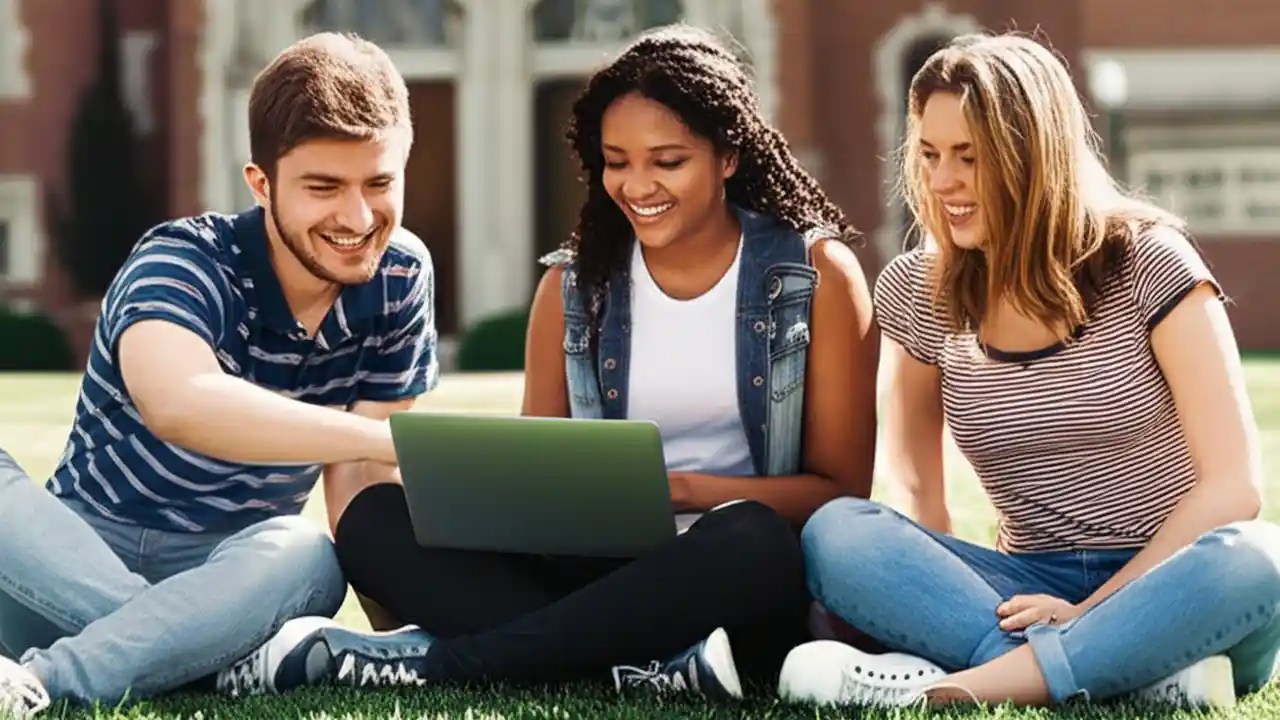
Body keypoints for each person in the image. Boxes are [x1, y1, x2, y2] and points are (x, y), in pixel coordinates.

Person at [233, 23, 878, 700]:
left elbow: (839, 493)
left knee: (754, 538)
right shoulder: (571, 288)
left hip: (728, 575)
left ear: (727, 155)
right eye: (617, 161)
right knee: (373, 519)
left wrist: (682, 490)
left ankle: (452, 663)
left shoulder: (813, 277)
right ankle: (650, 669)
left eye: (667, 161)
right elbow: (540, 487)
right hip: (594, 569)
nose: (637, 185)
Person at [777, 32, 1280, 710]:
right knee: (837, 532)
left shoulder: (1151, 264)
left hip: (1173, 577)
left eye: (969, 158)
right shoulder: (918, 289)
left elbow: (1233, 487)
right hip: (1017, 587)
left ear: (1033, 157)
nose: (941, 181)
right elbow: (921, 493)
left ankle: (972, 682)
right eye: (928, 155)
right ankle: (1143, 678)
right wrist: (943, 595)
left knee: (1258, 558)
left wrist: (1092, 610)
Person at [0, 32, 436, 717]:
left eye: (378, 184)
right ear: (261, 184)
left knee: (310, 554)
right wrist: (389, 441)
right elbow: (181, 402)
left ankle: (43, 681)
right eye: (324, 187)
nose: (357, 218)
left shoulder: (400, 275)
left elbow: (361, 486)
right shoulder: (182, 262)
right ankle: (181, 654)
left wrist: (399, 634)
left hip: (230, 575)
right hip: (69, 559)